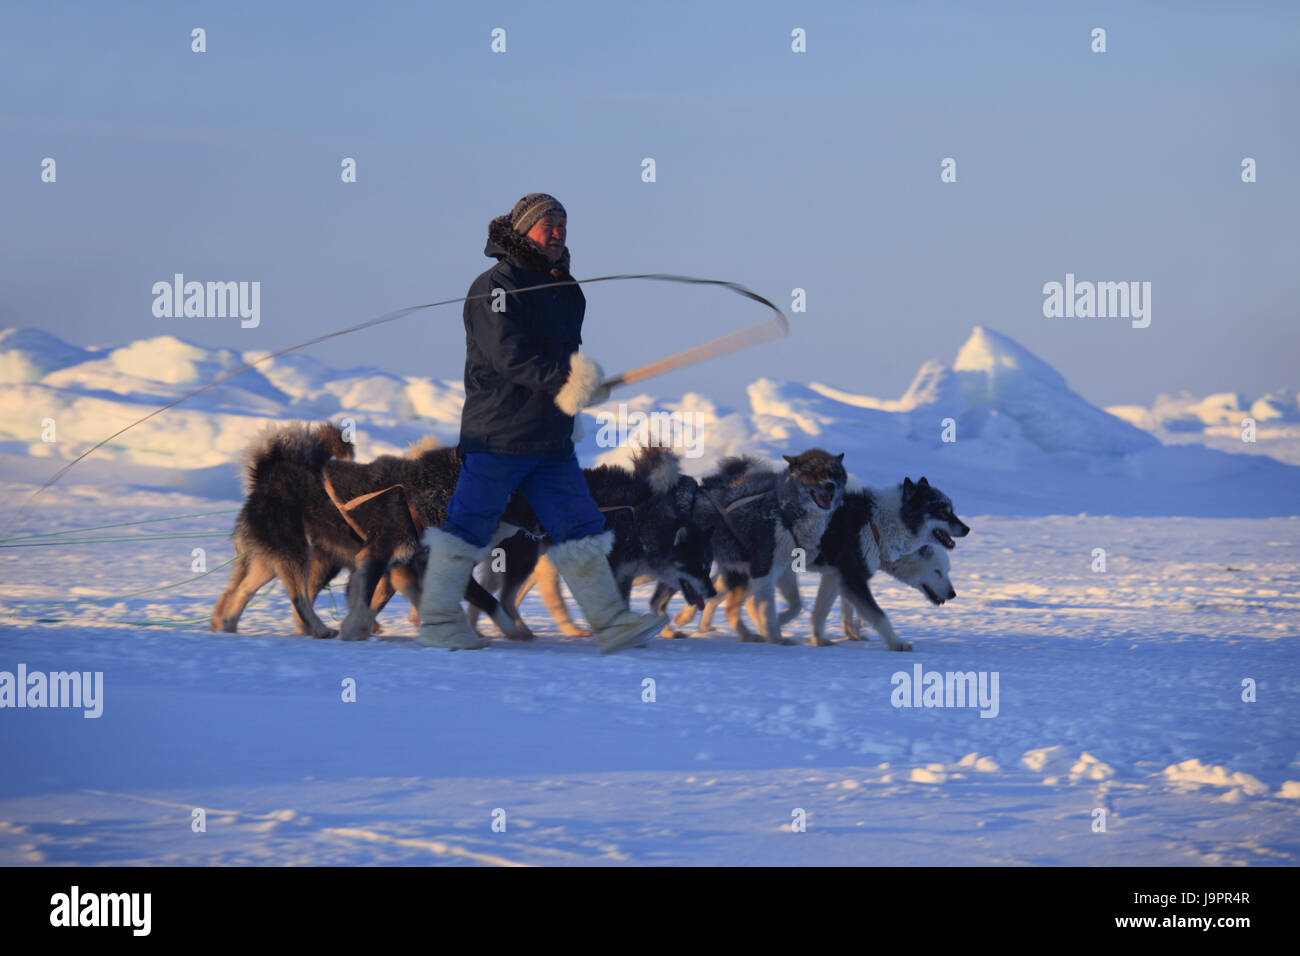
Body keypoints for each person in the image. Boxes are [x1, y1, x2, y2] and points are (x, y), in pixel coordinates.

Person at [416, 193, 667, 653]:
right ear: (522, 229)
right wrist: (566, 383)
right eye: (547, 225)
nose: (557, 233)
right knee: (469, 525)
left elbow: (562, 361)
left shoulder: (567, 290)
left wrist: (577, 390)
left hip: (550, 440)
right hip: (498, 434)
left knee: (581, 524)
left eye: (563, 226)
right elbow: (508, 357)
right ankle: (436, 621)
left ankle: (611, 622)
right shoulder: (495, 286)